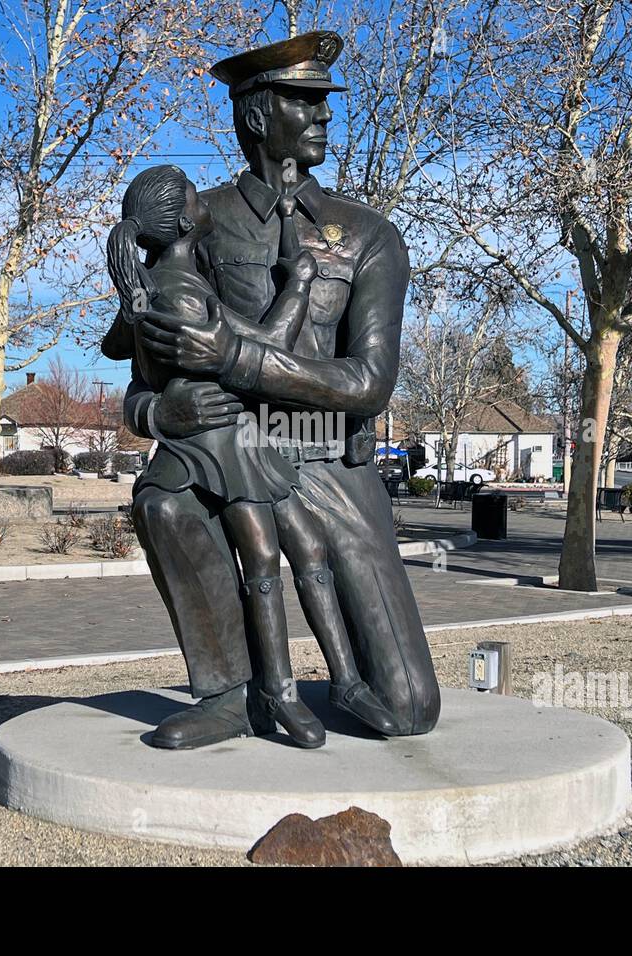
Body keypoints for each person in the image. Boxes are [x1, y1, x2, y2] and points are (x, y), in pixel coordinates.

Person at [115, 30, 441, 750]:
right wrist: (157, 411)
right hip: (230, 452)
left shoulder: (367, 236)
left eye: (325, 103)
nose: (325, 115)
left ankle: (325, 677)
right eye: (307, 101)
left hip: (326, 459)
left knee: (409, 706)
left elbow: (369, 384)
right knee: (162, 501)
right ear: (258, 115)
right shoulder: (194, 223)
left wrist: (235, 356)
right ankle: (232, 692)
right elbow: (138, 383)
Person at [104, 163, 399, 747]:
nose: (203, 193)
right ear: (187, 218)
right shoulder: (183, 293)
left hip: (249, 442)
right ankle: (269, 695)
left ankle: (340, 681)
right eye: (192, 192)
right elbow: (260, 344)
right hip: (222, 449)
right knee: (263, 558)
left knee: (304, 547)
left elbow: (117, 344)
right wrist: (298, 285)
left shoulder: (166, 286)